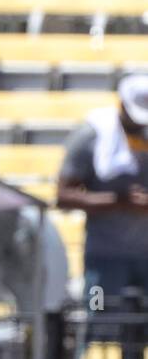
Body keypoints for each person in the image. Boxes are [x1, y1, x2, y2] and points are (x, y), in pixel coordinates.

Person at [57, 74, 148, 305]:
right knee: (100, 325)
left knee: (140, 332)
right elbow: (63, 196)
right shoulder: (91, 135)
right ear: (122, 105)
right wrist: (119, 201)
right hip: (105, 257)